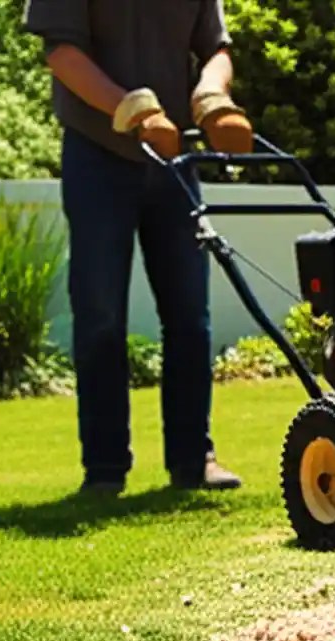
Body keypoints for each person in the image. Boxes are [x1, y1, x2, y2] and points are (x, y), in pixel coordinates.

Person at [23, 1, 253, 494]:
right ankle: (105, 470)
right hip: (98, 156)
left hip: (174, 158)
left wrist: (212, 92)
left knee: (191, 316)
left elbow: (215, 47)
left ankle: (194, 460)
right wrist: (133, 107)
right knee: (101, 316)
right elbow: (63, 54)